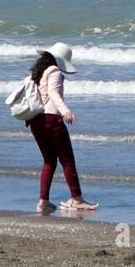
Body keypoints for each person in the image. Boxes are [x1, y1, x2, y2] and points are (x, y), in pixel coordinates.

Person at [27, 43, 97, 213]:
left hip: (36, 121)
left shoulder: (35, 74)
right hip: (52, 120)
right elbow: (53, 93)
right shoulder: (55, 72)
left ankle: (43, 201)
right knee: (67, 160)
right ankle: (77, 199)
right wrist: (65, 111)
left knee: (49, 161)